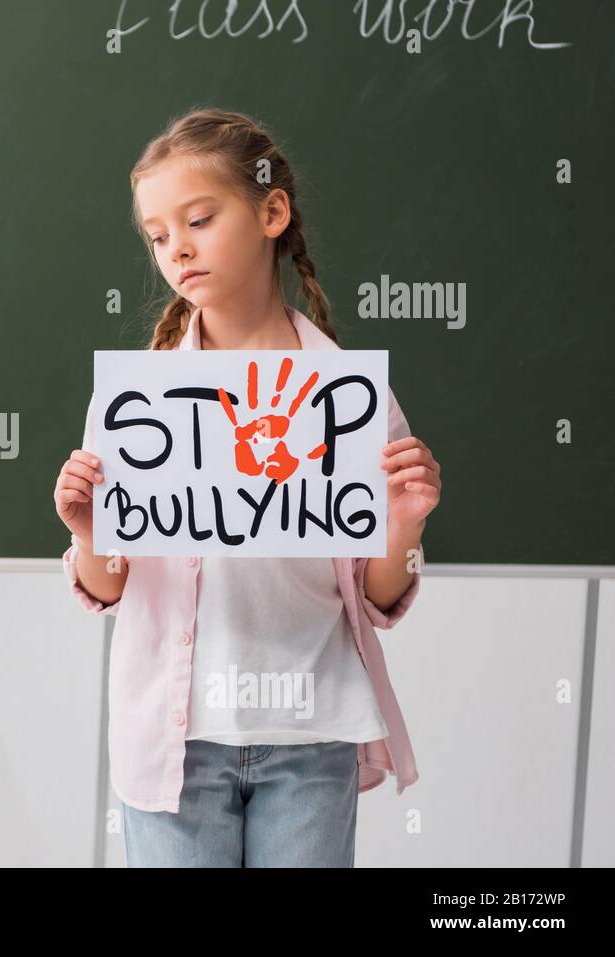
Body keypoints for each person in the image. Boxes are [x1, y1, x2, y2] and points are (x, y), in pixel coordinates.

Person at [52, 107, 442, 867]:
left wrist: (406, 527)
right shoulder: (140, 405)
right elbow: (106, 586)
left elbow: (377, 595)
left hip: (309, 732)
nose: (178, 250)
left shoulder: (348, 398)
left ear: (271, 211)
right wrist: (89, 533)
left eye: (198, 219)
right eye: (159, 236)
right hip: (175, 741)